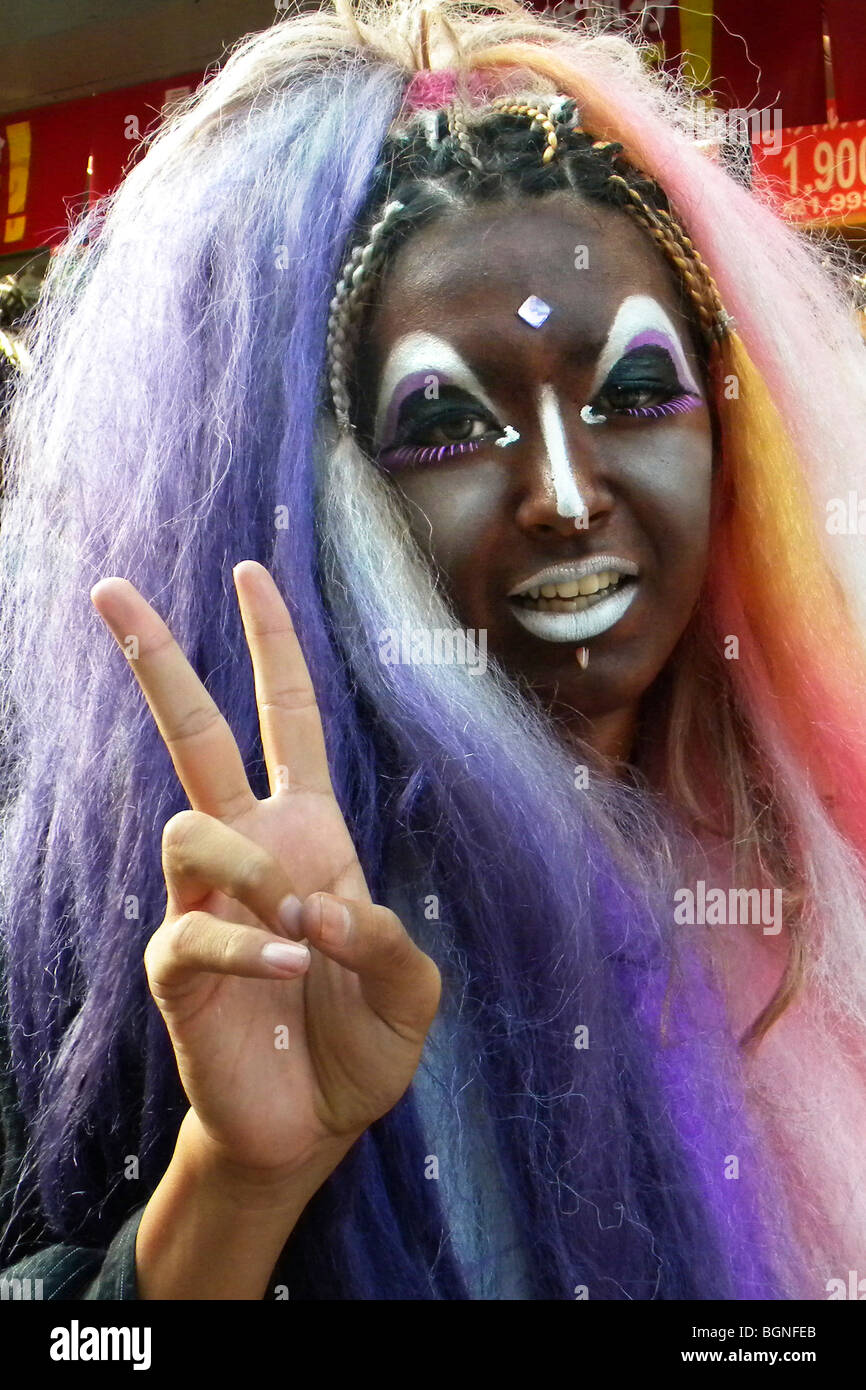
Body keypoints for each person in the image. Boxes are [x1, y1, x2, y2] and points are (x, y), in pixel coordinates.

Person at [1, 0, 865, 1301]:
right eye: (450, 421)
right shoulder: (199, 938)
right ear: (335, 498)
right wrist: (232, 1190)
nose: (567, 492)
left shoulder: (816, 868)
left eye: (632, 394)